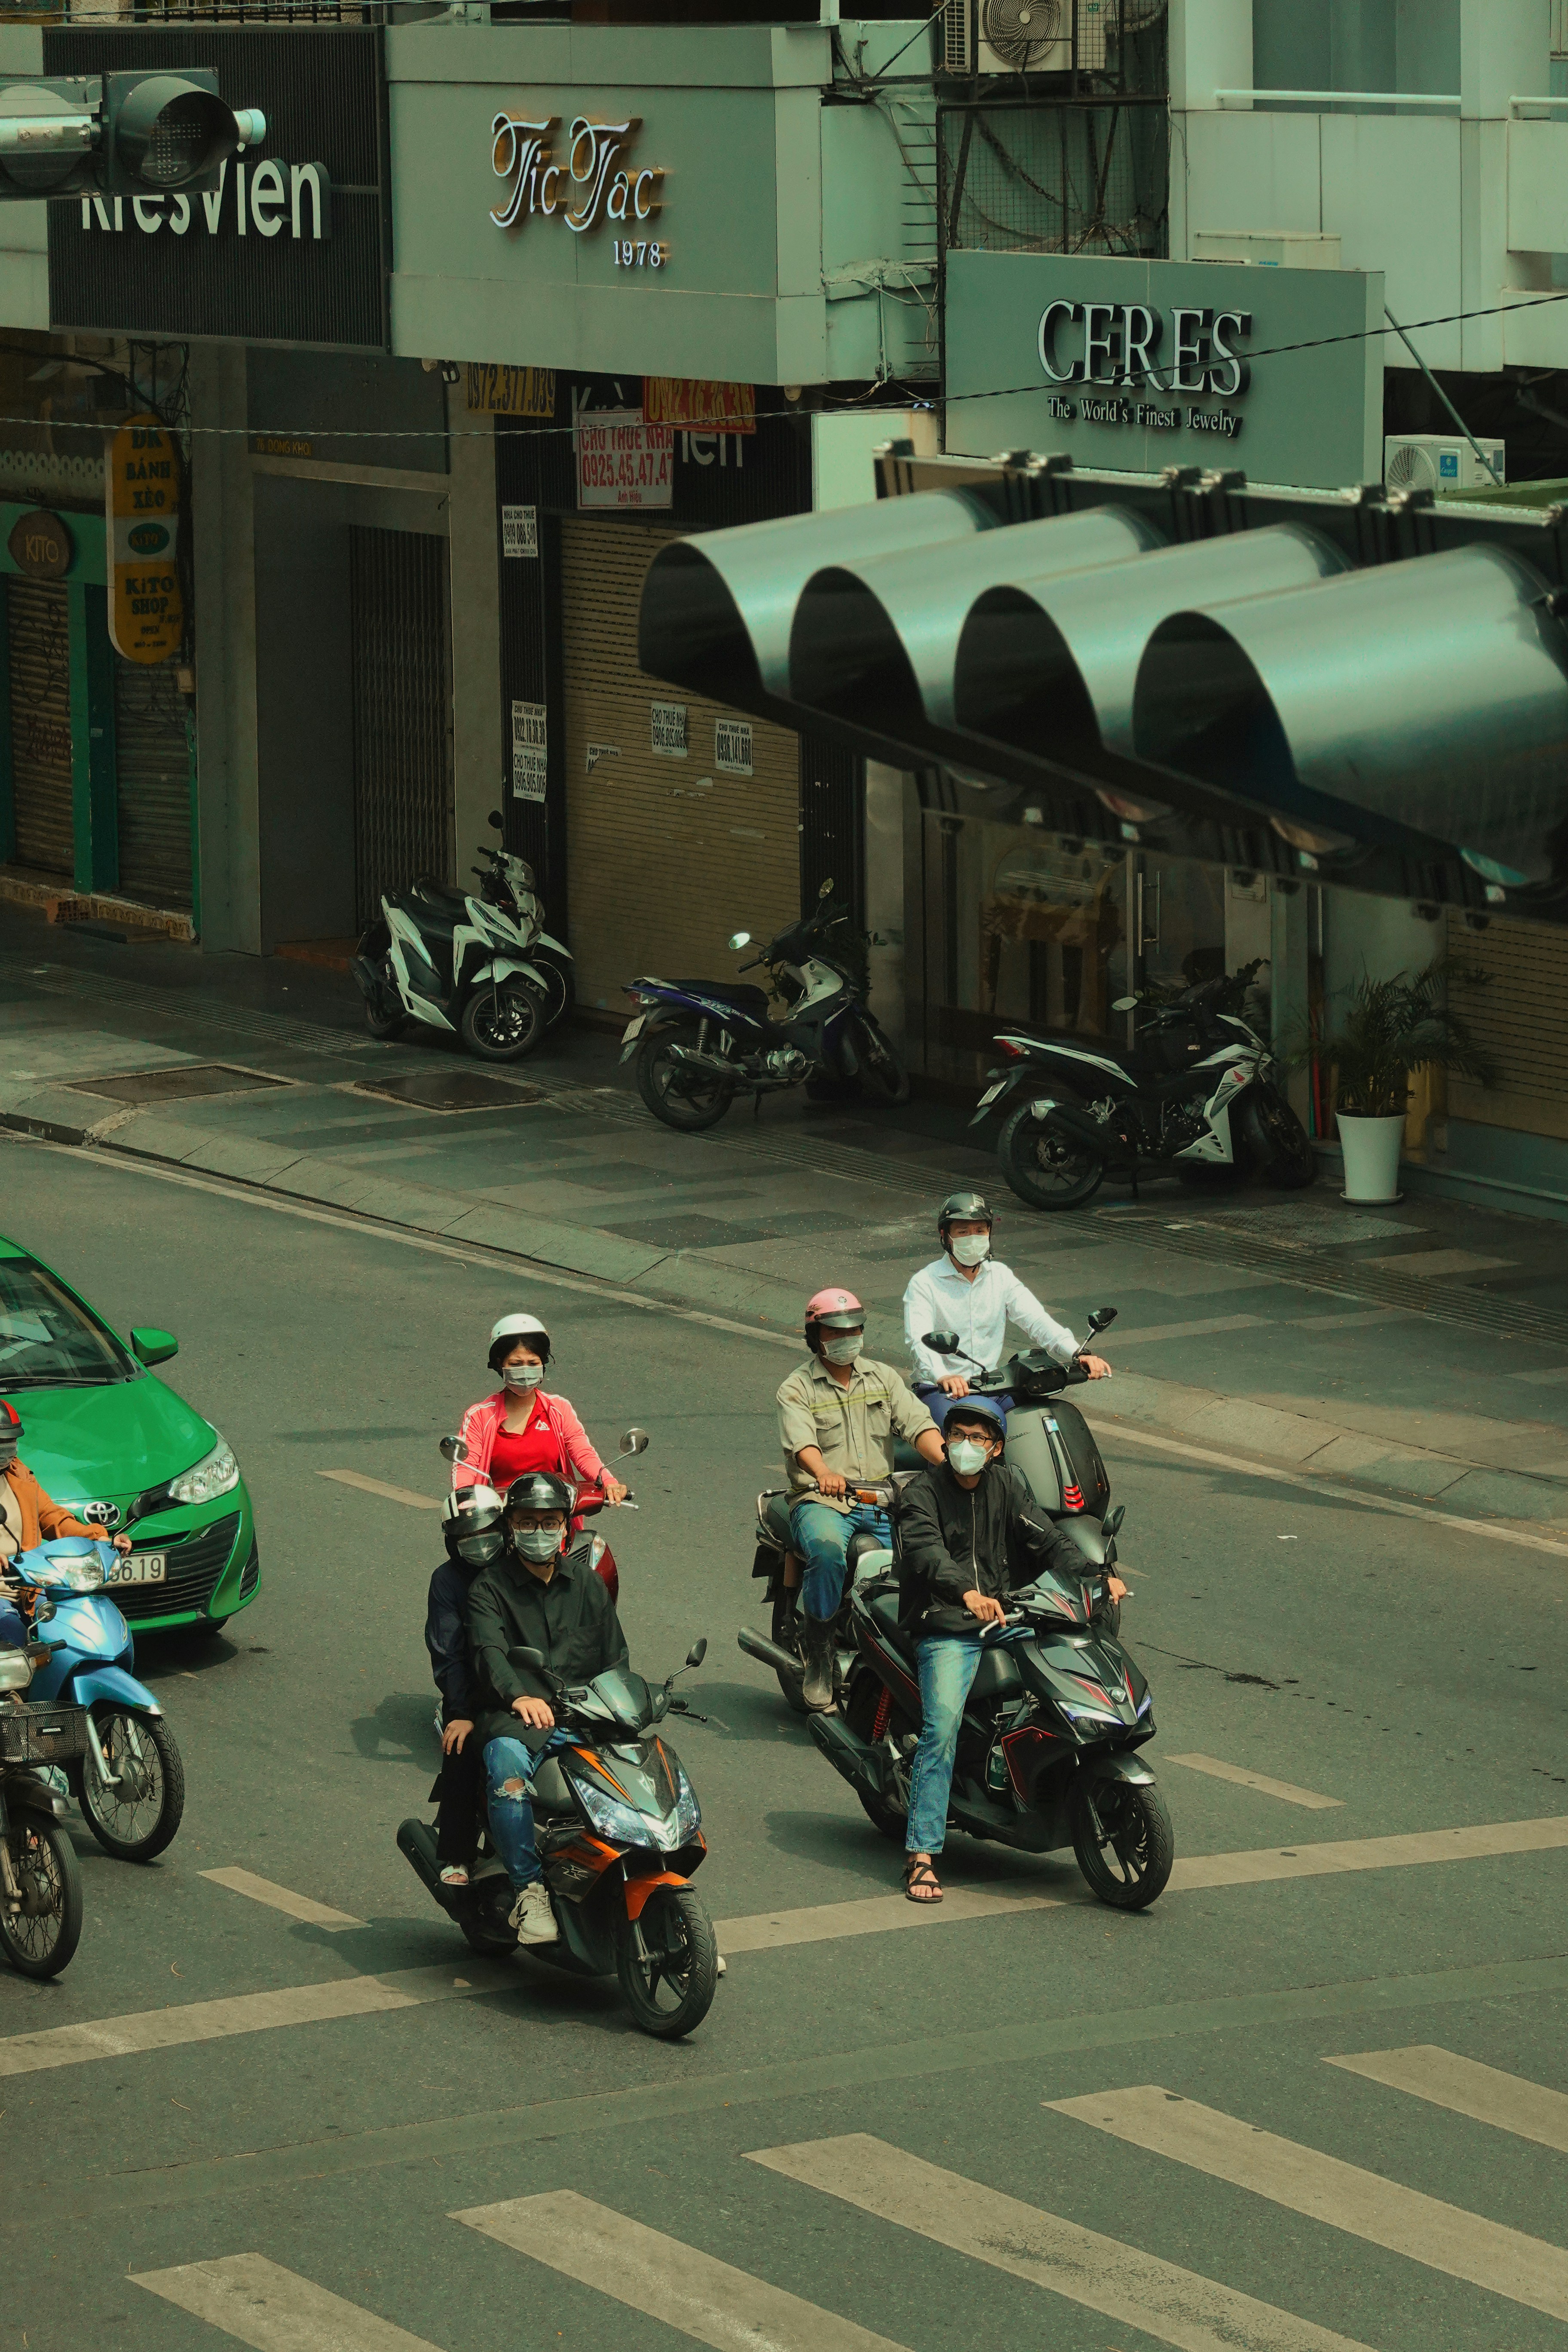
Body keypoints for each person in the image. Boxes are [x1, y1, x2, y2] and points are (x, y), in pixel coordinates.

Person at [894, 1394, 1127, 1905]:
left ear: (996, 1448)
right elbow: (928, 1553)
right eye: (958, 1435)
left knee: (1065, 1668)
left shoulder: (1005, 1488)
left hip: (1004, 1615)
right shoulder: (921, 1494)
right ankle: (922, 1855)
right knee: (942, 1727)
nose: (966, 1446)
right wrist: (967, 1594)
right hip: (947, 1622)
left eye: (979, 1438)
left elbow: (1048, 1542)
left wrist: (1098, 1576)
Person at [466, 1470, 629, 1946]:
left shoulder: (587, 1585)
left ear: (565, 1528)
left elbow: (614, 1657)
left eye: (550, 1522)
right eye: (529, 1522)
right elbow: (488, 1654)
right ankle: (529, 1888)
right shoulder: (489, 1589)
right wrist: (519, 1696)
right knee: (505, 1768)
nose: (540, 1532)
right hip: (518, 1719)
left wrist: (626, 1702)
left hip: (586, 1716)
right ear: (511, 1527)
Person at [775, 1288, 945, 1715]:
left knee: (927, 1557)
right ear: (816, 1336)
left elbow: (917, 1424)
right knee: (829, 1555)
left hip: (883, 1499)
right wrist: (825, 1474)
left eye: (853, 1330)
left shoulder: (883, 1378)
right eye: (836, 1331)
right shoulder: (797, 1388)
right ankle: (819, 1656)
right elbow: (802, 1444)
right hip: (822, 1500)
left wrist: (950, 1463)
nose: (846, 1338)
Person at [902, 1192, 1112, 1430]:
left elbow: (1036, 1320)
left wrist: (1077, 1352)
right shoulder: (925, 1283)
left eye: (980, 1231)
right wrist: (943, 1375)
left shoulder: (1000, 1277)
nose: (973, 1238)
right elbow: (919, 1341)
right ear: (945, 1236)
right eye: (963, 1232)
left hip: (991, 1387)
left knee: (1037, 1423)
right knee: (963, 1433)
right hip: (940, 1391)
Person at [452, 1314, 629, 1507]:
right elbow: (466, 1466)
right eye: (516, 1364)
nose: (525, 1370)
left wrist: (609, 1482)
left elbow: (583, 1453)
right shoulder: (480, 1416)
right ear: (500, 1365)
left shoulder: (559, 1409)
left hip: (556, 1518)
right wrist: (463, 1498)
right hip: (499, 1518)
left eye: (533, 1363)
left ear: (543, 1365)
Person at [425, 1482, 508, 1888]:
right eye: (468, 1539)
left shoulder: (520, 1566)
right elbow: (448, 1653)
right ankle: (456, 1852)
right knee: (462, 1749)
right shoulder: (447, 1582)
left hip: (532, 1686)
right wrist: (460, 1712)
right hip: (474, 1693)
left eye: (487, 1534)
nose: (480, 1545)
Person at [0, 1399, 131, 1648]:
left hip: (29, 1584)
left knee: (64, 1634)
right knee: (14, 1638)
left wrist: (97, 1538)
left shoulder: (18, 1474)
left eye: (11, 1441)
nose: (8, 1449)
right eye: (0, 1443)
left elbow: (50, 1516)